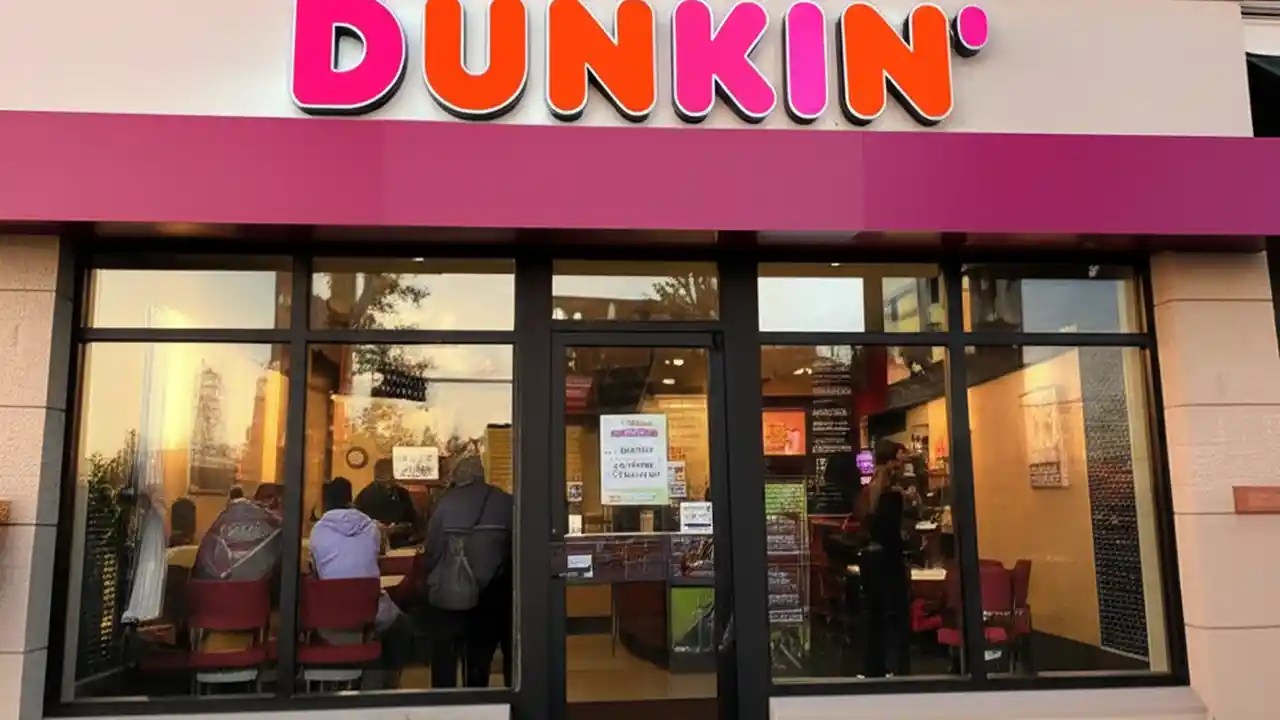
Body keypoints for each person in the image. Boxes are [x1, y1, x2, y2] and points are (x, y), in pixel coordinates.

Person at [310, 477, 413, 681]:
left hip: (330, 616)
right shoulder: (371, 528)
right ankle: (385, 686)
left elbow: (316, 571)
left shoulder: (317, 531)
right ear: (351, 499)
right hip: (368, 613)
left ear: (325, 502)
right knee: (401, 625)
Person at [424, 455, 513, 688]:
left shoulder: (445, 504)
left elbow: (431, 551)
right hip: (495, 593)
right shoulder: (505, 501)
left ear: (457, 477)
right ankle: (486, 696)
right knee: (482, 653)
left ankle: (443, 699)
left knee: (444, 651)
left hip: (452, 595)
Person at [858, 439, 912, 677]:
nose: (903, 462)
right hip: (889, 562)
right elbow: (891, 535)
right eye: (900, 457)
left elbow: (866, 526)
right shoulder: (893, 496)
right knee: (897, 618)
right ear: (892, 461)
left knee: (874, 617)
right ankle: (896, 670)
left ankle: (873, 669)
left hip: (870, 562)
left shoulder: (867, 493)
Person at [193, 483, 282, 581]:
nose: (272, 503)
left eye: (278, 500)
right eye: (269, 498)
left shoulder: (277, 531)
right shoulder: (240, 517)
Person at [355, 458, 420, 549]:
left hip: (401, 547)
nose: (388, 485)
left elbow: (413, 521)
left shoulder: (402, 494)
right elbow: (358, 526)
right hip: (373, 547)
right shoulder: (365, 497)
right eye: (383, 483)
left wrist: (401, 528)